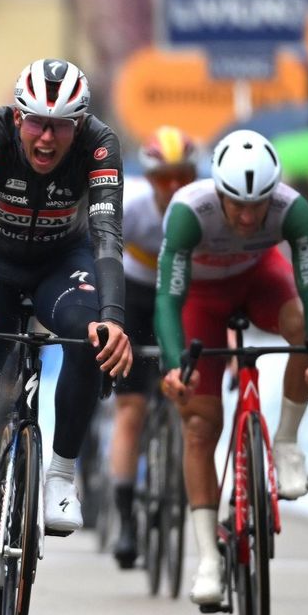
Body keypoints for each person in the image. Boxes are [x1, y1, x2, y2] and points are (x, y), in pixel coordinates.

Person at [0, 59, 133, 615]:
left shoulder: (100, 144)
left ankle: (62, 473)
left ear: (81, 123)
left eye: (62, 124)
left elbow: (107, 237)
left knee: (90, 332)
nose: (47, 137)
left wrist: (113, 317)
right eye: (37, 123)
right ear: (17, 115)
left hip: (59, 267)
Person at [155, 130, 308, 605]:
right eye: (235, 203)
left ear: (272, 195)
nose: (245, 215)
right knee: (200, 424)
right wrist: (178, 366)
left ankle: (286, 443)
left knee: (299, 322)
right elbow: (168, 298)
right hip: (201, 301)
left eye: (257, 205)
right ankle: (208, 561)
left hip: (259, 282)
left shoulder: (291, 209)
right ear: (217, 189)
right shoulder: (188, 211)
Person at [109, 126, 195, 570]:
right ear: (150, 178)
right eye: (164, 179)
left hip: (179, 297)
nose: (174, 188)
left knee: (190, 405)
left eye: (182, 176)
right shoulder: (132, 209)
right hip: (134, 298)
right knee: (131, 411)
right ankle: (125, 519)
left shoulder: (201, 210)